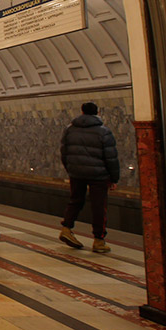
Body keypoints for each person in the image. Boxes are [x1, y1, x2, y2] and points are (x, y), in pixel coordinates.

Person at [59, 102, 120, 253]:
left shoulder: (70, 130)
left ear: (82, 112)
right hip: (98, 176)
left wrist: (71, 169)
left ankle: (66, 229)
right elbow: (111, 157)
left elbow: (64, 153)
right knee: (99, 206)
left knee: (75, 201)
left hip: (76, 173)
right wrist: (114, 178)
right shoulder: (104, 132)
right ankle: (99, 240)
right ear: (97, 112)